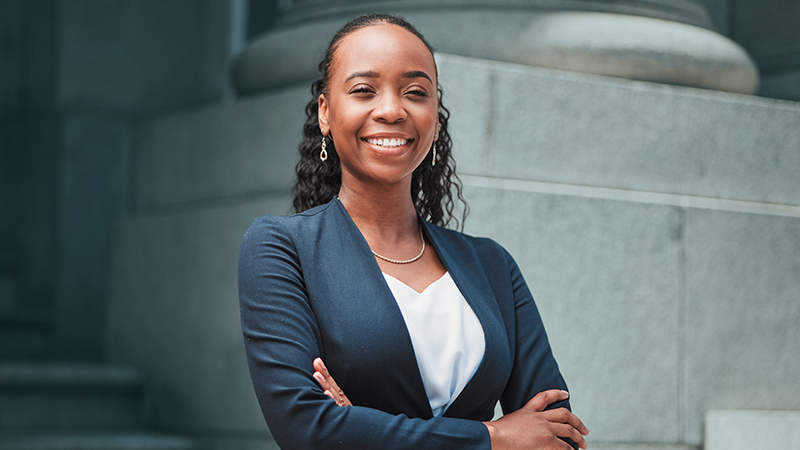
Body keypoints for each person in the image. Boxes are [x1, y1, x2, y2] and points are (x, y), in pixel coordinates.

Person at [238, 13, 589, 450]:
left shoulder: (492, 265)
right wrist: (495, 435)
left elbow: (558, 434)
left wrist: (364, 429)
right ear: (325, 112)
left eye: (416, 92)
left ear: (435, 119)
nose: (391, 110)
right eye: (364, 90)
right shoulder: (283, 249)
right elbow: (307, 427)